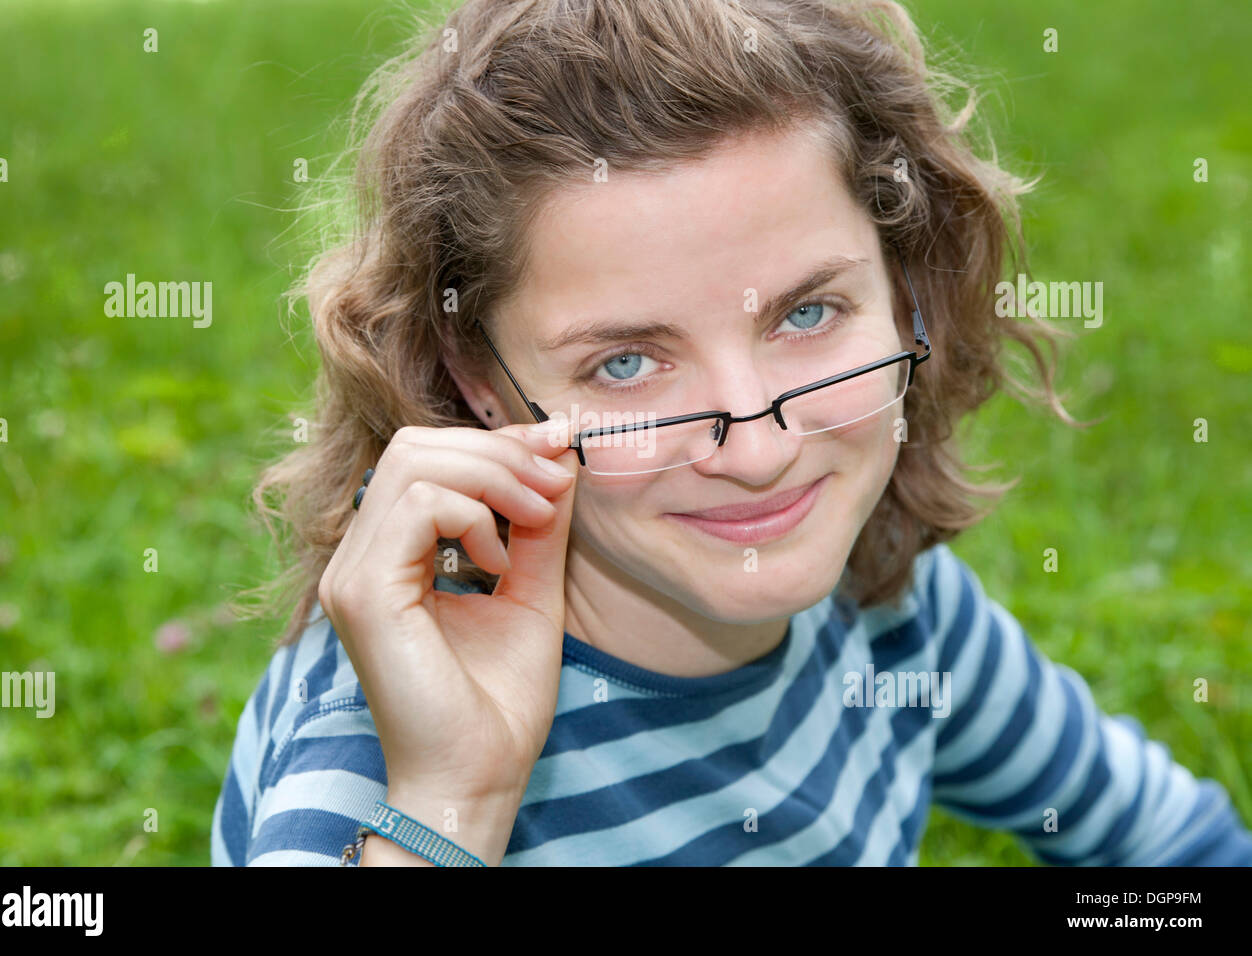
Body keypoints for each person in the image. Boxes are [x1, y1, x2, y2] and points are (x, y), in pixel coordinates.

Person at [211, 0, 1252, 866]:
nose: (758, 450)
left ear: (905, 288)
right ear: (477, 381)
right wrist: (451, 801)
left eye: (806, 314)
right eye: (624, 361)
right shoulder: (382, 739)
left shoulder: (894, 609)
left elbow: (1172, 849)